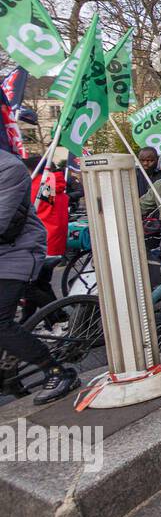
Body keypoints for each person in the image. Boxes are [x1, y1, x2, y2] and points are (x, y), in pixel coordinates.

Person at [0, 151, 78, 404]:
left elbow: (42, 207)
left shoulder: (15, 171)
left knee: (5, 318)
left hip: (19, 252)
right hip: (36, 239)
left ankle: (57, 369)